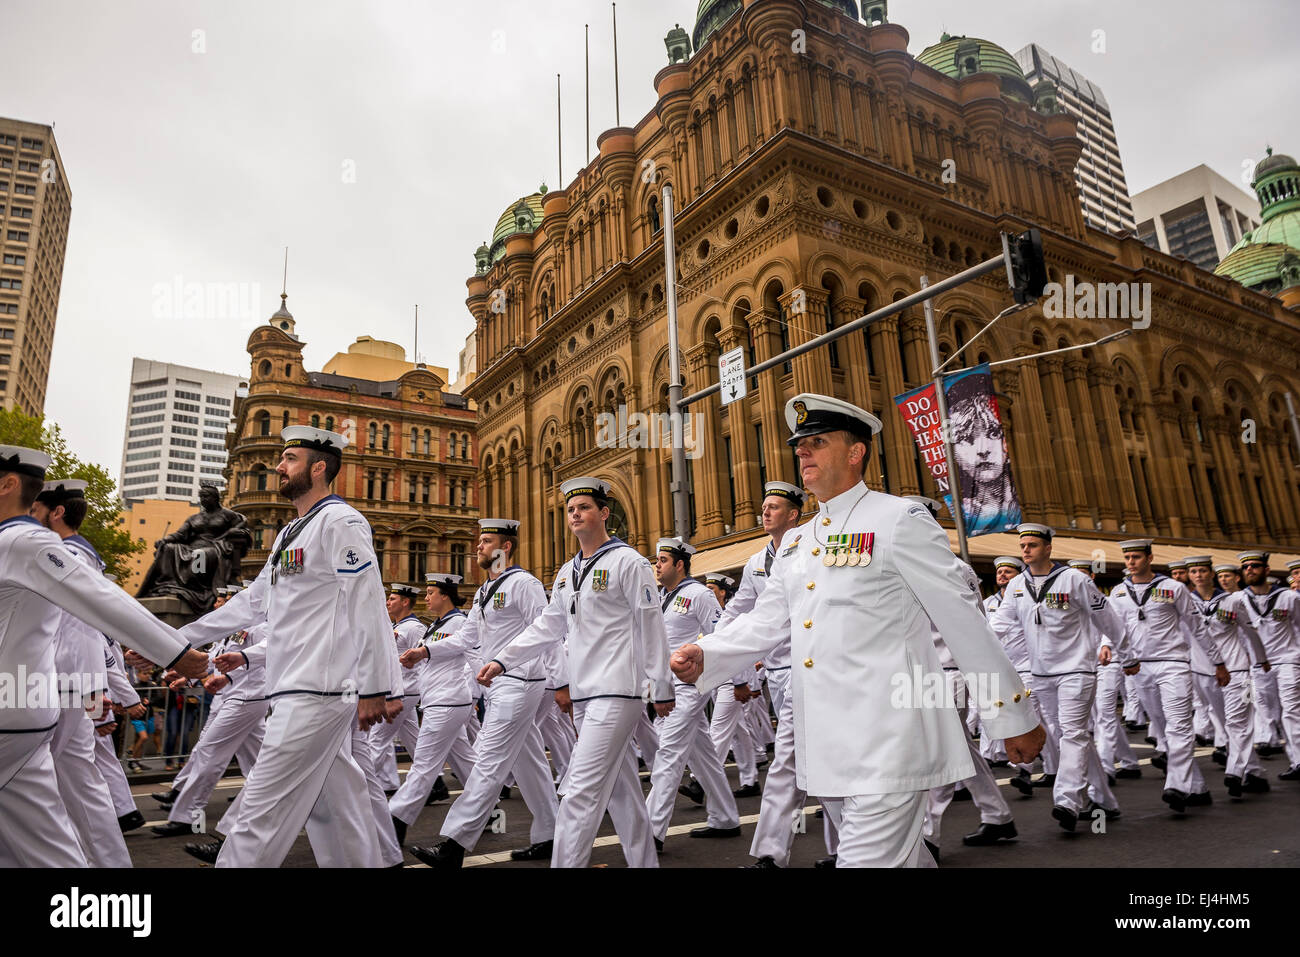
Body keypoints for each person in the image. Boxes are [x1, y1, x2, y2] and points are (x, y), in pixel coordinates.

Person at [671, 395, 1044, 867]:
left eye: (817, 443)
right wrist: (710, 653)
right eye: (800, 446)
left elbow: (962, 621)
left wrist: (1011, 714)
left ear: (855, 453)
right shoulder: (801, 541)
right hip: (831, 742)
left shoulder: (897, 520)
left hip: (889, 741)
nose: (802, 453)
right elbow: (768, 618)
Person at [170, 425, 395, 867]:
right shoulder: (291, 534)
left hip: (319, 689)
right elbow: (252, 605)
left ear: (318, 468)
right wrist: (178, 639)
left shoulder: (341, 522)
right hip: (295, 686)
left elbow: (366, 604)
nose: (278, 465)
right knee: (337, 813)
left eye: (289, 458)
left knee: (258, 817)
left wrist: (375, 686)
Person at [0, 445, 205, 867]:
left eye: (44, 509)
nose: (39, 515)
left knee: (82, 778)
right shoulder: (39, 547)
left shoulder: (30, 543)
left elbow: (104, 612)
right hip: (54, 693)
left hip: (50, 693)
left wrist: (173, 655)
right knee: (76, 785)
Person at [476, 478, 675, 868]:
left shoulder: (629, 562)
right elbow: (548, 625)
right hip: (585, 696)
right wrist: (504, 660)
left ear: (603, 513)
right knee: (622, 792)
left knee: (579, 793)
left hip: (618, 691)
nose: (575, 514)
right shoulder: (568, 572)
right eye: (570, 510)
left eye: (584, 507)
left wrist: (662, 686)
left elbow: (651, 626)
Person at [410, 518, 561, 868]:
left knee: (490, 760)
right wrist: (426, 651)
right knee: (529, 762)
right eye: (479, 541)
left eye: (486, 540)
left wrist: (562, 682)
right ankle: (552, 834)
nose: (478, 546)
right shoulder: (483, 591)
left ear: (505, 547)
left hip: (521, 680)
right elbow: (467, 639)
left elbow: (547, 631)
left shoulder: (524, 584)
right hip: (498, 684)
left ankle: (453, 845)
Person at [989, 524, 1123, 830]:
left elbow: (1108, 620)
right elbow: (1000, 625)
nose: (1026, 550)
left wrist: (1124, 654)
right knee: (1068, 738)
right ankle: (1103, 799)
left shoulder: (1074, 579)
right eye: (1023, 545)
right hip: (1041, 673)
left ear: (1048, 548)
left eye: (1032, 545)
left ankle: (1067, 801)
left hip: (1076, 670)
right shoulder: (1017, 586)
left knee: (1073, 733)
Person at [30, 479, 133, 867]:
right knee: (79, 780)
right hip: (77, 681)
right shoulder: (82, 556)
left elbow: (55, 626)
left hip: (60, 680)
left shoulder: (62, 555)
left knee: (41, 781)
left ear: (56, 513)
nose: (30, 518)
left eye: (36, 511)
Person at [1106, 540, 1228, 813]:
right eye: (1127, 557)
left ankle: (1177, 785)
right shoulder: (1118, 592)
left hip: (1173, 663)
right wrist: (1106, 645)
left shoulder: (1173, 588)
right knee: (1161, 727)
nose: (1131, 562)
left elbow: (1196, 628)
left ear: (1150, 558)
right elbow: (1111, 626)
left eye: (1136, 557)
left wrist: (1217, 662)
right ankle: (1198, 787)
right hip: (1140, 667)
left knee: (1179, 726)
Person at [644, 537, 741, 849]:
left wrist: (738, 679)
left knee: (668, 754)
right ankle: (725, 818)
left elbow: (721, 636)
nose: (657, 566)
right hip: (666, 687)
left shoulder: (699, 594)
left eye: (662, 560)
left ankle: (650, 832)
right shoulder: (661, 597)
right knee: (704, 756)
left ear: (679, 564)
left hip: (689, 686)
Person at [388, 573, 478, 844]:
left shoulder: (460, 622)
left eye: (430, 593)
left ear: (445, 595)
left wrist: (423, 653)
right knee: (465, 761)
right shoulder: (437, 624)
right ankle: (487, 804)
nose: (425, 598)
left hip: (447, 700)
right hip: (440, 700)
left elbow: (467, 652)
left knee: (424, 765)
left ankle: (396, 819)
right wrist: (414, 659)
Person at [1185, 557, 1271, 797]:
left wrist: (1262, 659)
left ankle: (1235, 771)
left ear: (1211, 574)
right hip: (1204, 672)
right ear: (1189, 576)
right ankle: (1255, 773)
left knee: (1238, 723)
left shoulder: (1233, 601)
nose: (1199, 575)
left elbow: (1250, 632)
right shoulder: (1186, 603)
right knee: (1226, 724)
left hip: (1237, 671)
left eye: (1203, 570)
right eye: (1194, 571)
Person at [1237, 550, 1300, 782]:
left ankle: (1298, 761)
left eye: (1254, 566)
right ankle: (1271, 740)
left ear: (1266, 570)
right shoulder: (1239, 600)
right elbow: (1240, 636)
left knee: (1292, 709)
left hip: (1287, 660)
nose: (1250, 570)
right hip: (1258, 665)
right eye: (1246, 567)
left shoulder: (1289, 597)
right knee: (1267, 710)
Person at [370, 583, 425, 794]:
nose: (387, 602)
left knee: (377, 738)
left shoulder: (414, 628)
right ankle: (434, 783)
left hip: (405, 691)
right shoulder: (395, 626)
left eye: (392, 599)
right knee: (413, 739)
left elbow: (421, 661)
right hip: (398, 690)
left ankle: (358, 788)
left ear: (405, 602)